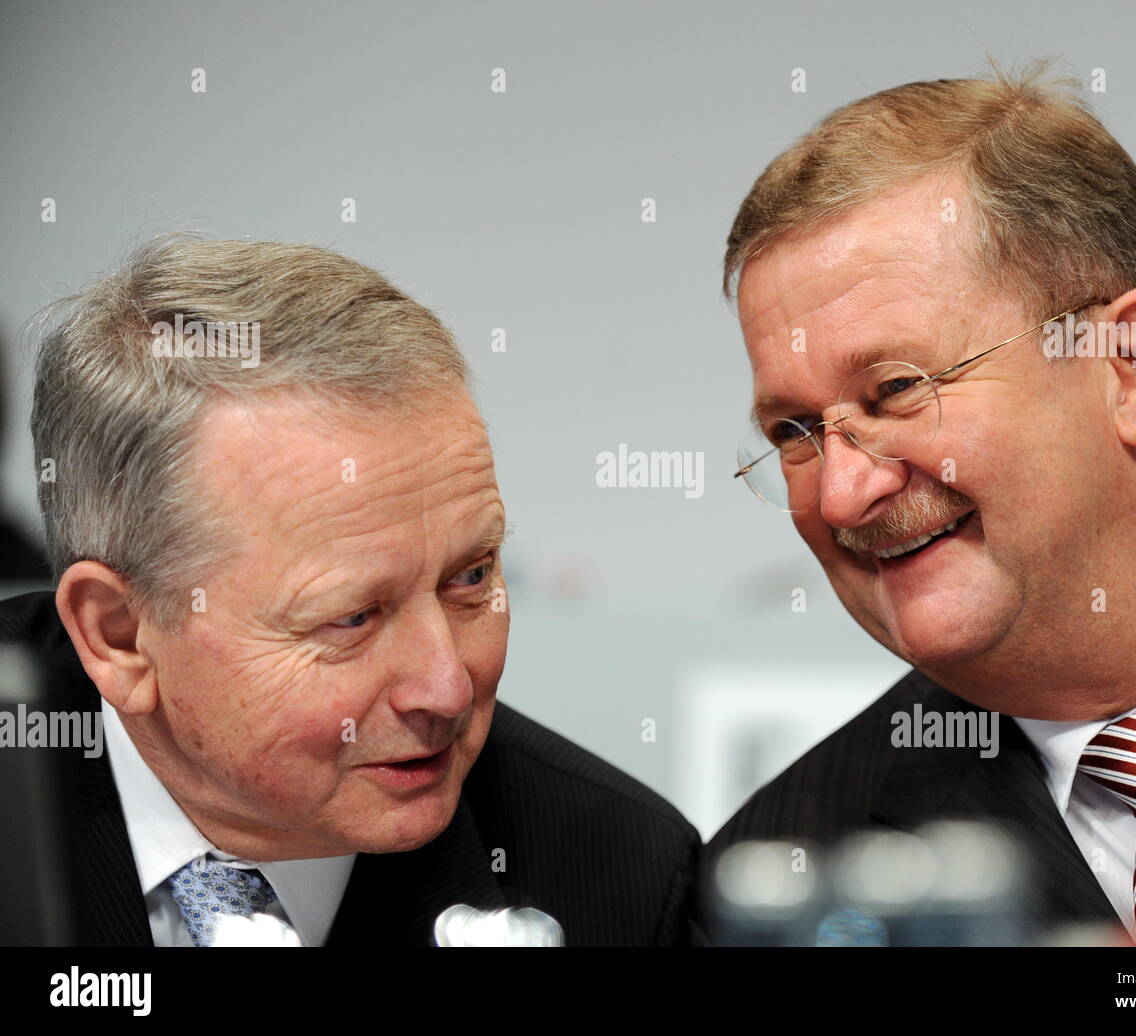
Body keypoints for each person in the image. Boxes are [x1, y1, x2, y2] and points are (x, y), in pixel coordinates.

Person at [704, 65, 1136, 947]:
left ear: (1128, 366)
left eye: (897, 388)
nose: (841, 491)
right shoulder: (795, 878)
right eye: (794, 431)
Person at [0, 234, 698, 946]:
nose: (447, 688)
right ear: (118, 634)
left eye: (471, 577)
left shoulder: (619, 879)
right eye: (353, 617)